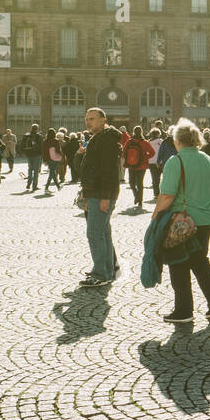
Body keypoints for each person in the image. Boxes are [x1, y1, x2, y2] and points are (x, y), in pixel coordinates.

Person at [151, 119, 210, 321]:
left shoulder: (176, 161)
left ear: (177, 141)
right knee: (199, 260)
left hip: (182, 219)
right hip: (205, 219)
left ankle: (184, 310)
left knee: (178, 263)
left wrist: (156, 215)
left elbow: (167, 195)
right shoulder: (207, 160)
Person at [78, 108, 124, 287]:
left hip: (102, 193)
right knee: (103, 232)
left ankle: (101, 274)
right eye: (86, 118)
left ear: (103, 120)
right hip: (96, 192)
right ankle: (106, 269)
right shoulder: (99, 138)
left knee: (95, 233)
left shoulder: (105, 140)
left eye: (92, 119)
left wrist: (105, 197)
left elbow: (108, 171)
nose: (88, 122)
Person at [124, 127, 155, 209]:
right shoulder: (145, 142)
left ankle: (136, 195)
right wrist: (145, 157)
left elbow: (124, 153)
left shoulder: (129, 141)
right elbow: (152, 152)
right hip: (142, 166)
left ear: (133, 132)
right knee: (140, 183)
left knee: (131, 183)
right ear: (141, 132)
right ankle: (140, 201)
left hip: (131, 165)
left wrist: (130, 159)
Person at [21, 124, 44, 190]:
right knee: (36, 171)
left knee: (30, 169)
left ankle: (28, 184)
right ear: (37, 129)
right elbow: (41, 146)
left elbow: (22, 145)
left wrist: (25, 152)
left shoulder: (26, 135)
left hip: (29, 154)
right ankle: (34, 186)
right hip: (37, 155)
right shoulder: (39, 136)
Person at [147, 125, 165, 195]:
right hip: (160, 162)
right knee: (163, 178)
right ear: (159, 134)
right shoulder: (161, 141)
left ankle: (156, 193)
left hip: (151, 162)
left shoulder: (148, 142)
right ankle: (162, 192)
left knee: (155, 178)